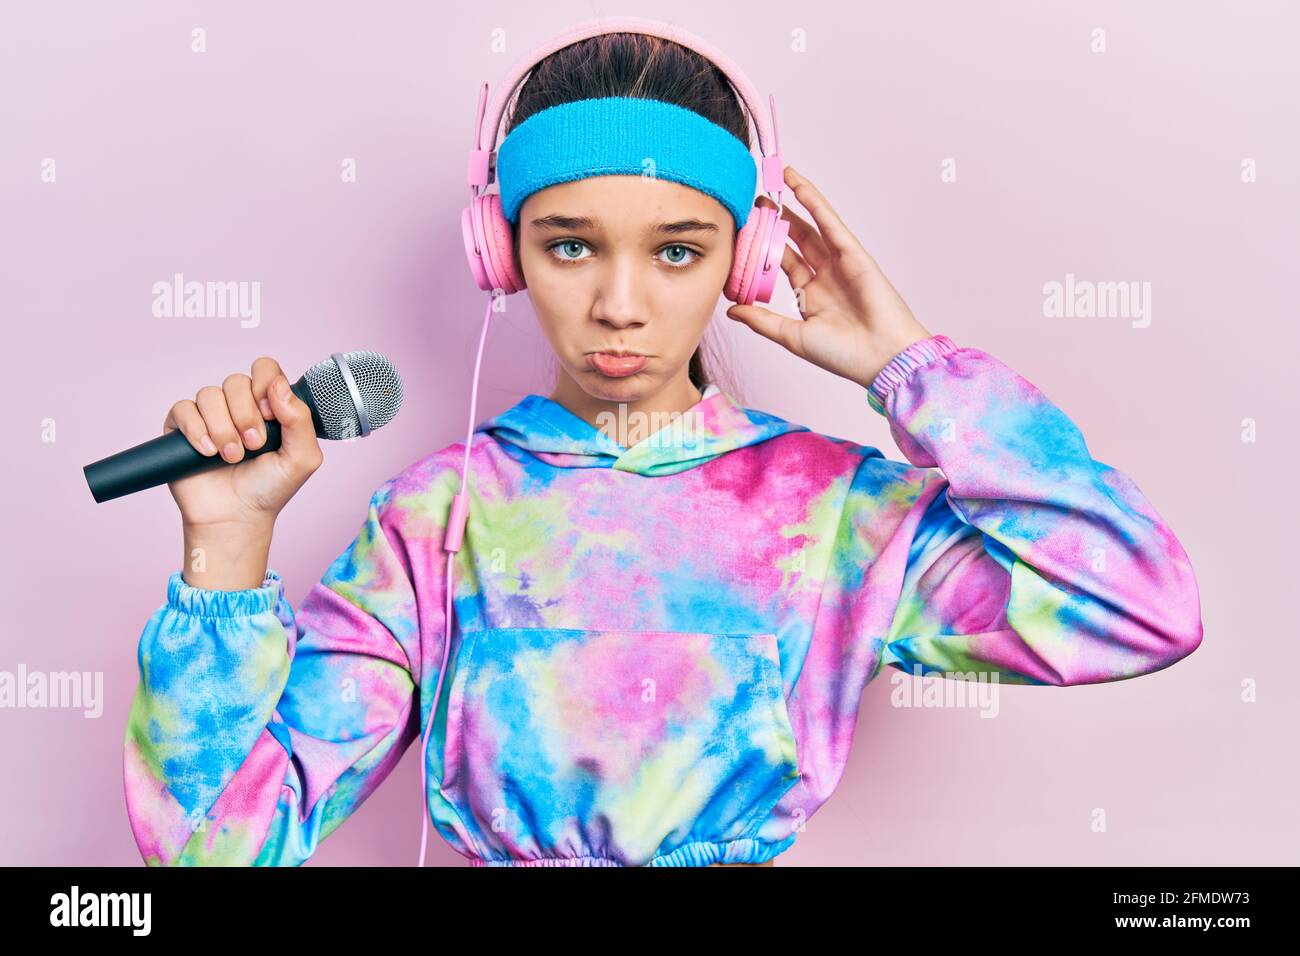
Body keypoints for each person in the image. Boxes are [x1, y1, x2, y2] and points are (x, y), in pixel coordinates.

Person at [122, 25, 1203, 868]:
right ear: (502, 252)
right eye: (571, 244)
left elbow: (1142, 607)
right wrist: (229, 544)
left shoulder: (832, 511)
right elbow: (212, 847)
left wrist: (912, 368)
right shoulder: (435, 519)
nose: (619, 304)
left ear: (744, 259)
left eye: (678, 250)